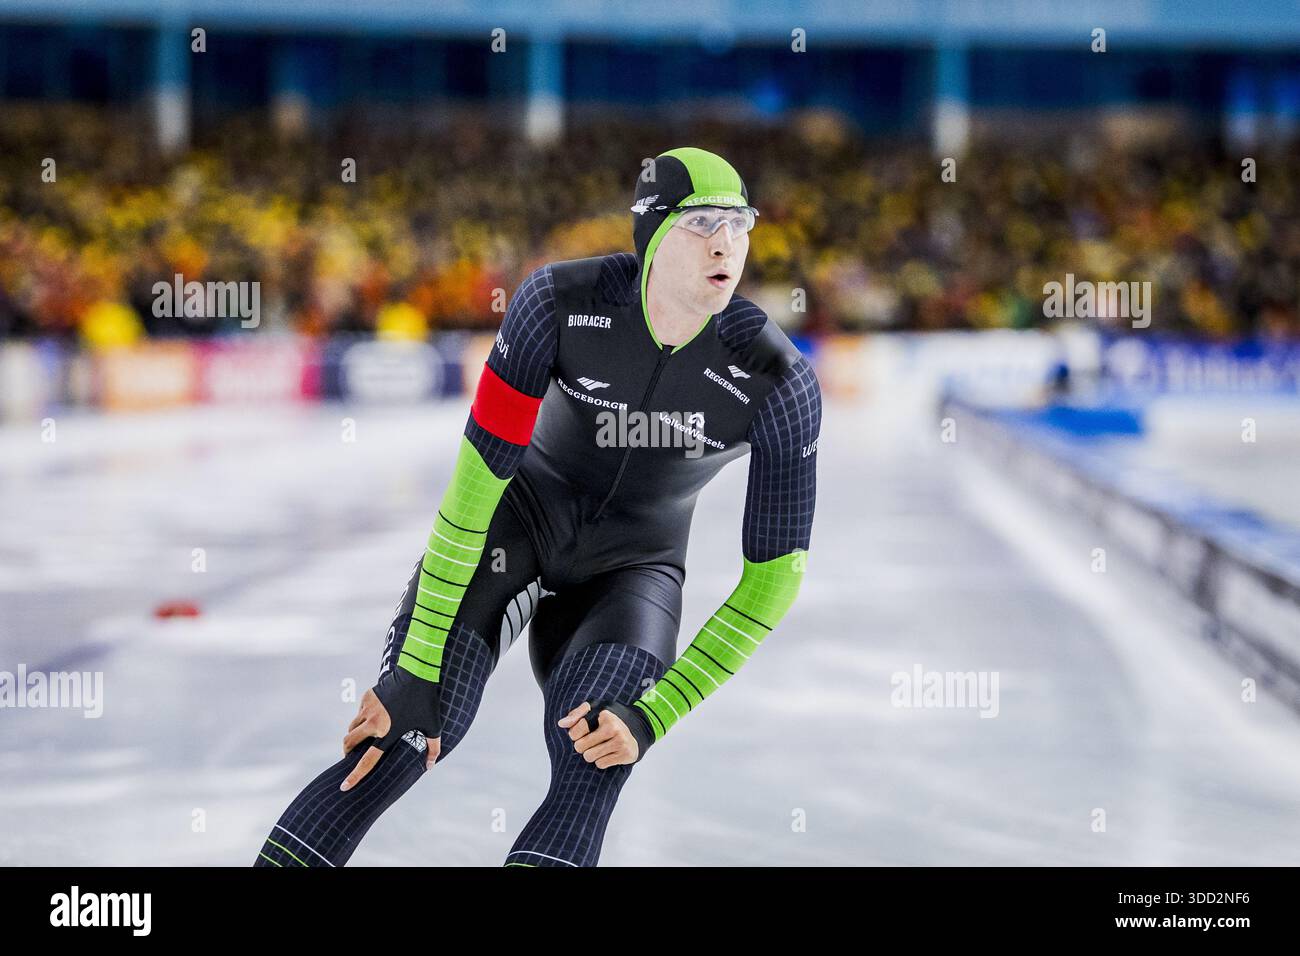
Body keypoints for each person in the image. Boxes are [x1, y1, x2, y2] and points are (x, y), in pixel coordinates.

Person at [253, 146, 822, 868]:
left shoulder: (777, 381)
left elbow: (774, 581)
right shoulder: (557, 303)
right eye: (701, 223)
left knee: (597, 762)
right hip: (511, 531)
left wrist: (656, 714)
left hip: (631, 574)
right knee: (397, 739)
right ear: (649, 234)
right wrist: (417, 663)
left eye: (740, 224)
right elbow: (473, 492)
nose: (726, 245)